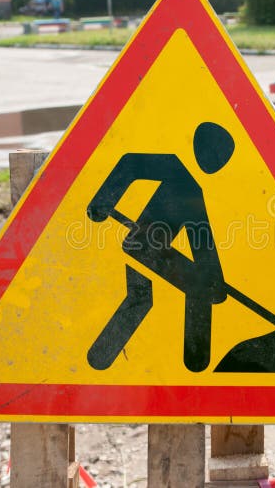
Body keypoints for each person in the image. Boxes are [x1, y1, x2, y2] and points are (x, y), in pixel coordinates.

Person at [86, 122, 235, 373]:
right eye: (218, 156)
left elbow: (201, 239)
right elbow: (129, 164)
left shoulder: (195, 190)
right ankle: (196, 361)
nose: (220, 164)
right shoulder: (175, 167)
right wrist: (101, 203)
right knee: (197, 287)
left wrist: (216, 280)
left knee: (140, 298)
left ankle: (99, 359)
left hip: (147, 247)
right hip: (143, 245)